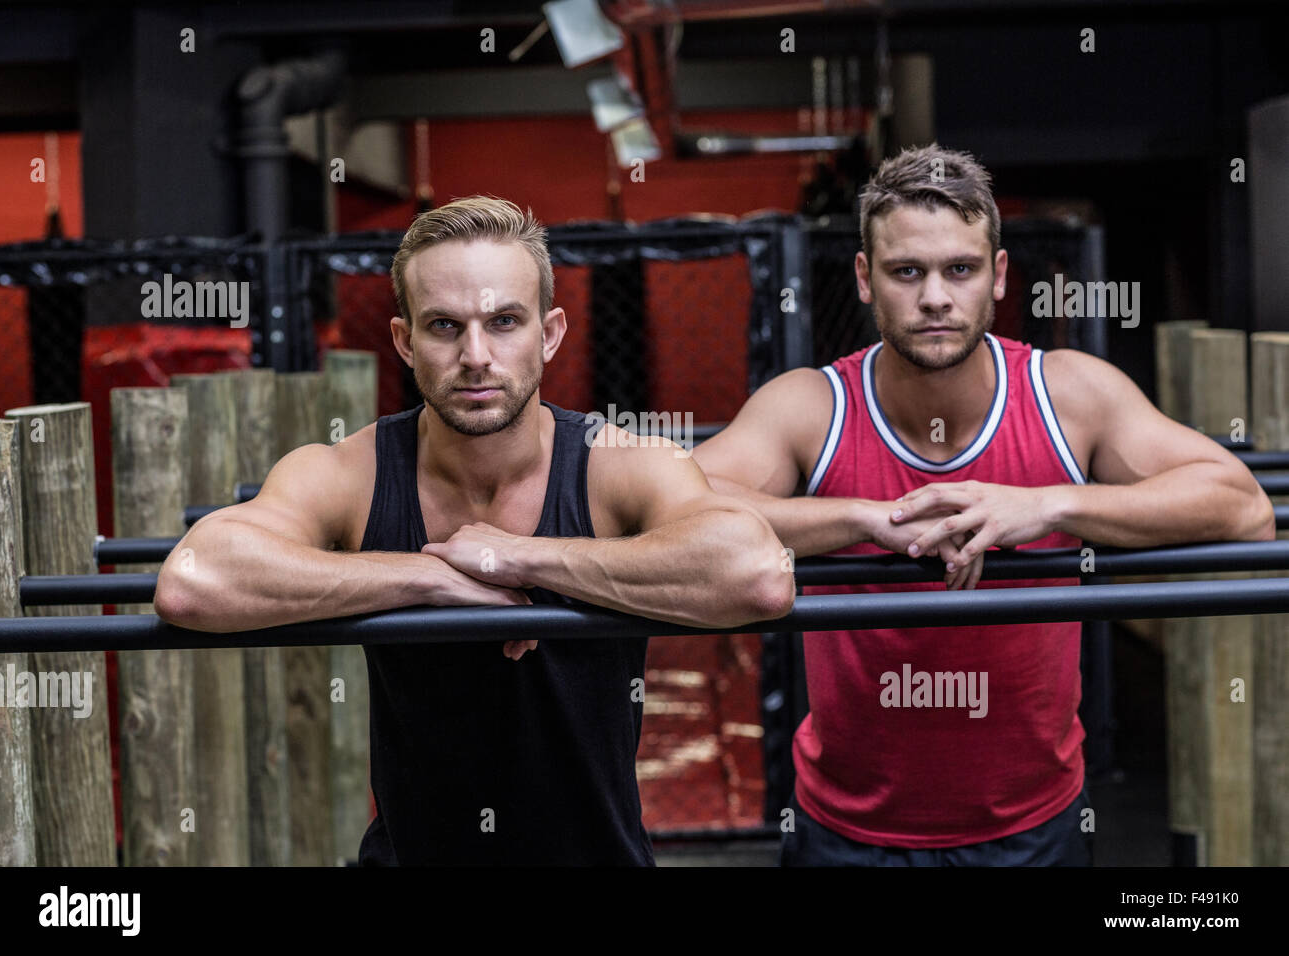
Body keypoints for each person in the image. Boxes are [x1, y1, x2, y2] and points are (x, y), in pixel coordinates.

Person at [154, 195, 794, 866]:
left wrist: (523, 561)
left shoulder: (618, 466)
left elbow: (755, 573)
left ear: (549, 334)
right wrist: (431, 578)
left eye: (504, 321)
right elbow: (194, 583)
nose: (476, 355)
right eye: (444, 326)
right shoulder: (351, 473)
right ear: (405, 341)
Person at [693, 144, 1275, 866]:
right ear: (866, 280)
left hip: (1033, 831)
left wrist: (1048, 505)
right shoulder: (813, 406)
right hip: (845, 834)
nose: (935, 296)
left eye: (959, 270)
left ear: (998, 277)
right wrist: (863, 517)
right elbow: (680, 502)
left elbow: (1241, 504)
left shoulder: (1067, 394)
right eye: (908, 271)